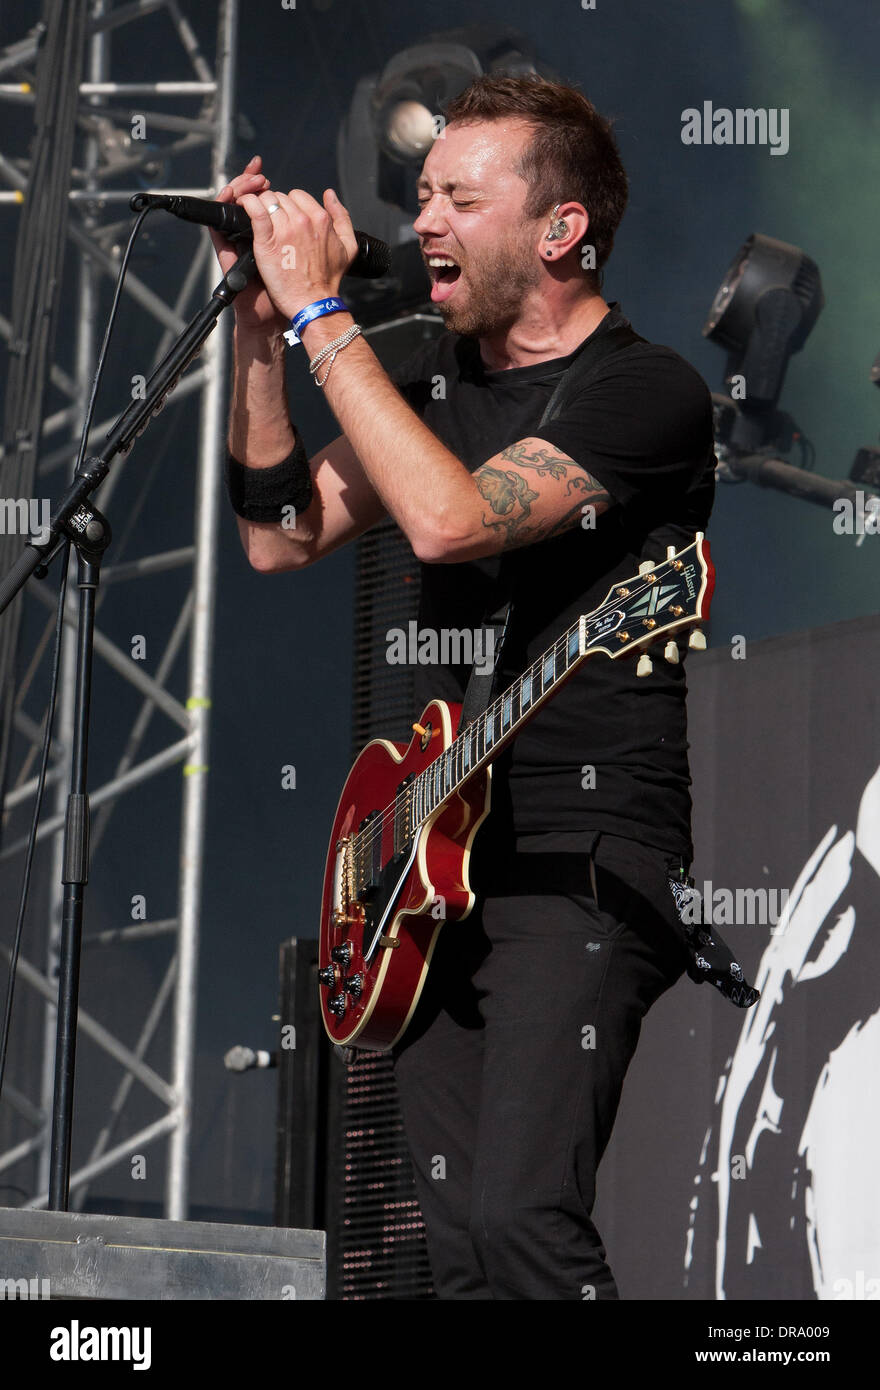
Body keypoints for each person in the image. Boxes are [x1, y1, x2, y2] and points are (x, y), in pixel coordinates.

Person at [213, 73, 753, 1301]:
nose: (428, 221)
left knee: (518, 1224)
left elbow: (454, 523)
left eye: (463, 195)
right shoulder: (440, 387)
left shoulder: (647, 391)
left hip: (579, 850)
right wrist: (257, 339)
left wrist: (320, 319)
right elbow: (278, 531)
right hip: (430, 868)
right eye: (423, 195)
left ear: (561, 229)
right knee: (453, 1258)